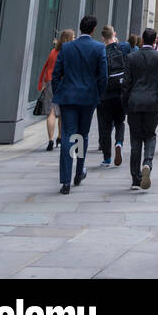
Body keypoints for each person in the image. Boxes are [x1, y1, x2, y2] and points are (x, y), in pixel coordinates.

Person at [51, 15, 107, 194]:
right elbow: (103, 76)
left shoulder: (67, 47)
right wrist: (99, 94)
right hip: (88, 98)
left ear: (80, 28)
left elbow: (56, 74)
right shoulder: (99, 48)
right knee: (82, 136)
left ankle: (66, 181)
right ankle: (79, 171)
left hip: (68, 97)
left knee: (68, 135)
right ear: (93, 30)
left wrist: (59, 93)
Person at [122, 27, 158, 189]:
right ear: (155, 41)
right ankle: (147, 162)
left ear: (142, 40)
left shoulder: (131, 57)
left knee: (135, 138)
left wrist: (125, 103)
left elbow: (126, 83)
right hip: (153, 103)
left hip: (135, 102)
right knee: (150, 135)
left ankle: (136, 178)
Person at [97, 24, 130, 167]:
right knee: (119, 122)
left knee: (105, 127)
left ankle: (107, 158)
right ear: (114, 34)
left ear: (102, 38)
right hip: (120, 93)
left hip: (105, 95)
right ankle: (119, 143)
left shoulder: (102, 51)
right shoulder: (123, 48)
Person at [37, 28, 73, 150]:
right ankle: (60, 138)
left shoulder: (53, 51)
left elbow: (45, 67)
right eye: (73, 37)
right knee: (62, 112)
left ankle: (50, 140)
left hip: (50, 82)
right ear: (69, 39)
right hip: (63, 83)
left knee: (51, 113)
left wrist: (42, 83)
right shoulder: (68, 53)